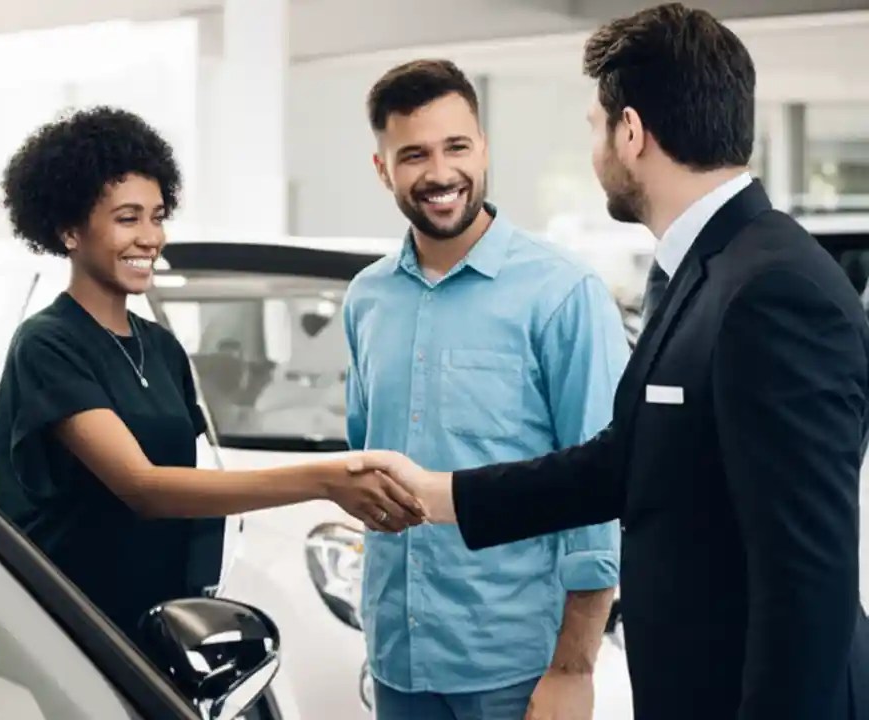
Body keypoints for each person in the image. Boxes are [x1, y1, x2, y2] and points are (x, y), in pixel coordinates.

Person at [349, 5, 869, 720]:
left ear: (630, 132)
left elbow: (808, 577)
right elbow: (626, 464)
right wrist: (440, 494)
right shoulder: (706, 273)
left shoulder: (770, 291)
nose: (593, 146)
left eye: (594, 126)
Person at [0, 106, 425, 649]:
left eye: (157, 215)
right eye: (127, 218)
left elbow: (194, 492)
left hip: (154, 634)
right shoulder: (48, 344)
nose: (150, 237)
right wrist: (323, 481)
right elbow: (143, 487)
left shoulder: (161, 348)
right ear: (70, 229)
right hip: (69, 634)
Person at [346, 59, 628, 720]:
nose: (440, 173)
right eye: (413, 154)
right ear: (383, 168)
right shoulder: (367, 299)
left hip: (517, 670)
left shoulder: (562, 294)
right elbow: (367, 471)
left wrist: (573, 667)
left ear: (485, 150)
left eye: (457, 147)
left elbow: (599, 497)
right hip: (397, 662)